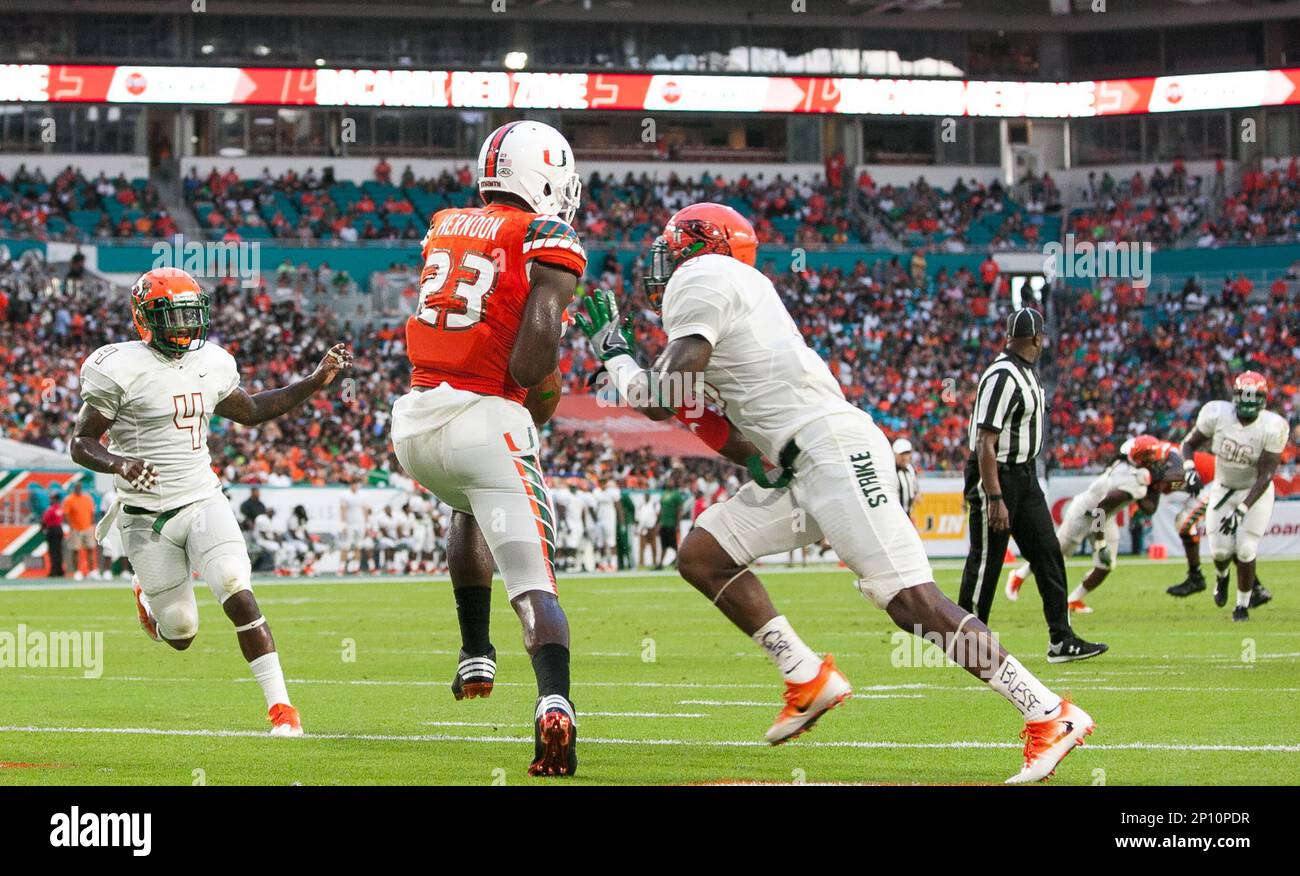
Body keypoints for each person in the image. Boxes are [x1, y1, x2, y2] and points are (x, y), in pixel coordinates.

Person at [577, 203, 1094, 783]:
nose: (666, 260)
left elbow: (662, 392)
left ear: (705, 248)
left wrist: (615, 355)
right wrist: (625, 370)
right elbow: (715, 424)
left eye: (675, 247)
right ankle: (805, 674)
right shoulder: (728, 294)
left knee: (914, 604)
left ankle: (1048, 712)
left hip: (833, 453)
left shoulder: (703, 277)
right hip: (807, 463)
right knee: (704, 553)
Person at [71, 266, 353, 736]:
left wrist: (315, 379)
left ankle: (282, 708)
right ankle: (147, 595)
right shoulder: (118, 368)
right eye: (172, 316)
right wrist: (120, 464)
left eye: (189, 314)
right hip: (145, 514)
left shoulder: (212, 363)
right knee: (180, 632)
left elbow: (255, 410)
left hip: (202, 498)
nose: (183, 326)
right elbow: (81, 442)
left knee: (233, 582)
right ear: (145, 318)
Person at [389, 120, 584, 776]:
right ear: (546, 176)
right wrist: (554, 342)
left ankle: (476, 651)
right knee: (534, 581)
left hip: (414, 422)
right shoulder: (546, 235)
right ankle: (555, 703)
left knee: (469, 499)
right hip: (484, 419)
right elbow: (532, 370)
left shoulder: (445, 221)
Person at [959, 308, 1107, 663]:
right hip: (996, 475)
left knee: (1048, 553)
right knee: (987, 560)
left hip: (1024, 475)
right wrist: (994, 496)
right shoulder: (1002, 375)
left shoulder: (1025, 373)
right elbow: (984, 442)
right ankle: (965, 642)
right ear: (1037, 339)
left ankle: (1061, 638)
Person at [1006, 435, 1178, 614]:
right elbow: (1101, 510)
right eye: (1153, 460)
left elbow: (1141, 507)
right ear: (1142, 461)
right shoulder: (1132, 482)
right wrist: (1100, 542)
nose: (1158, 463)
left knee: (1106, 563)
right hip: (1085, 513)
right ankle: (1018, 575)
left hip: (1105, 515)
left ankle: (1073, 600)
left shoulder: (1129, 459)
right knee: (1056, 555)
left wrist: (1157, 485)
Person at [1178, 371, 1288, 621]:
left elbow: (1266, 475)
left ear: (1263, 400)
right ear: (1235, 397)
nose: (1248, 406)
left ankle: (1242, 606)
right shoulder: (1218, 415)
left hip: (1254, 492)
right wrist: (1189, 469)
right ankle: (1222, 577)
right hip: (1222, 487)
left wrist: (1242, 510)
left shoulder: (1273, 427)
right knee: (1218, 552)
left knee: (1246, 548)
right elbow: (1187, 444)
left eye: (1254, 399)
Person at [62, 481, 98, 580]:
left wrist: (91, 524)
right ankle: (77, 572)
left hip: (88, 527)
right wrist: (71, 526)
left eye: (80, 487)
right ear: (74, 488)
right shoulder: (69, 499)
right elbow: (66, 514)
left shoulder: (87, 498)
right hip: (75, 529)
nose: (78, 489)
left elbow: (92, 512)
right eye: (76, 487)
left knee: (90, 549)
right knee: (75, 551)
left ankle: (92, 571)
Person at [893, 437, 919, 518]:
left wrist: (916, 494)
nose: (904, 457)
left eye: (907, 453)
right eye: (902, 454)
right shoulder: (891, 471)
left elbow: (915, 488)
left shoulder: (910, 469)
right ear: (895, 454)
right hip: (895, 516)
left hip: (908, 514)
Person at [42, 497, 65, 577]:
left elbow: (45, 520)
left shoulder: (50, 509)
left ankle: (54, 571)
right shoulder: (60, 509)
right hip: (59, 529)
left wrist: (42, 529)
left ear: (54, 500)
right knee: (59, 551)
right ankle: (60, 571)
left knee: (53, 551)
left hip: (52, 530)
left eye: (51, 499)